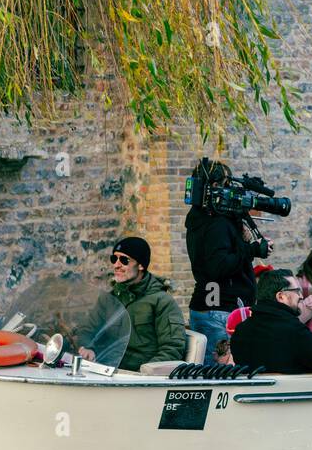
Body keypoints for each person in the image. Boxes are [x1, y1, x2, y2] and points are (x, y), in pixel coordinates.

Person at [185, 158, 271, 362]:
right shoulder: (217, 223)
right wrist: (251, 249)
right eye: (225, 185)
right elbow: (218, 266)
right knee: (220, 373)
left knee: (210, 373)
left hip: (210, 305)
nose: (229, 190)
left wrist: (243, 242)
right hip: (219, 309)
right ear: (213, 187)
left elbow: (215, 257)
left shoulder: (200, 217)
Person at [74, 237, 187, 369]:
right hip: (105, 369)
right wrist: (87, 347)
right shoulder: (109, 297)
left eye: (124, 260)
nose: (116, 265)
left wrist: (146, 372)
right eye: (114, 259)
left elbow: (172, 348)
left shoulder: (161, 301)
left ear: (141, 265)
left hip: (138, 377)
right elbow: (87, 329)